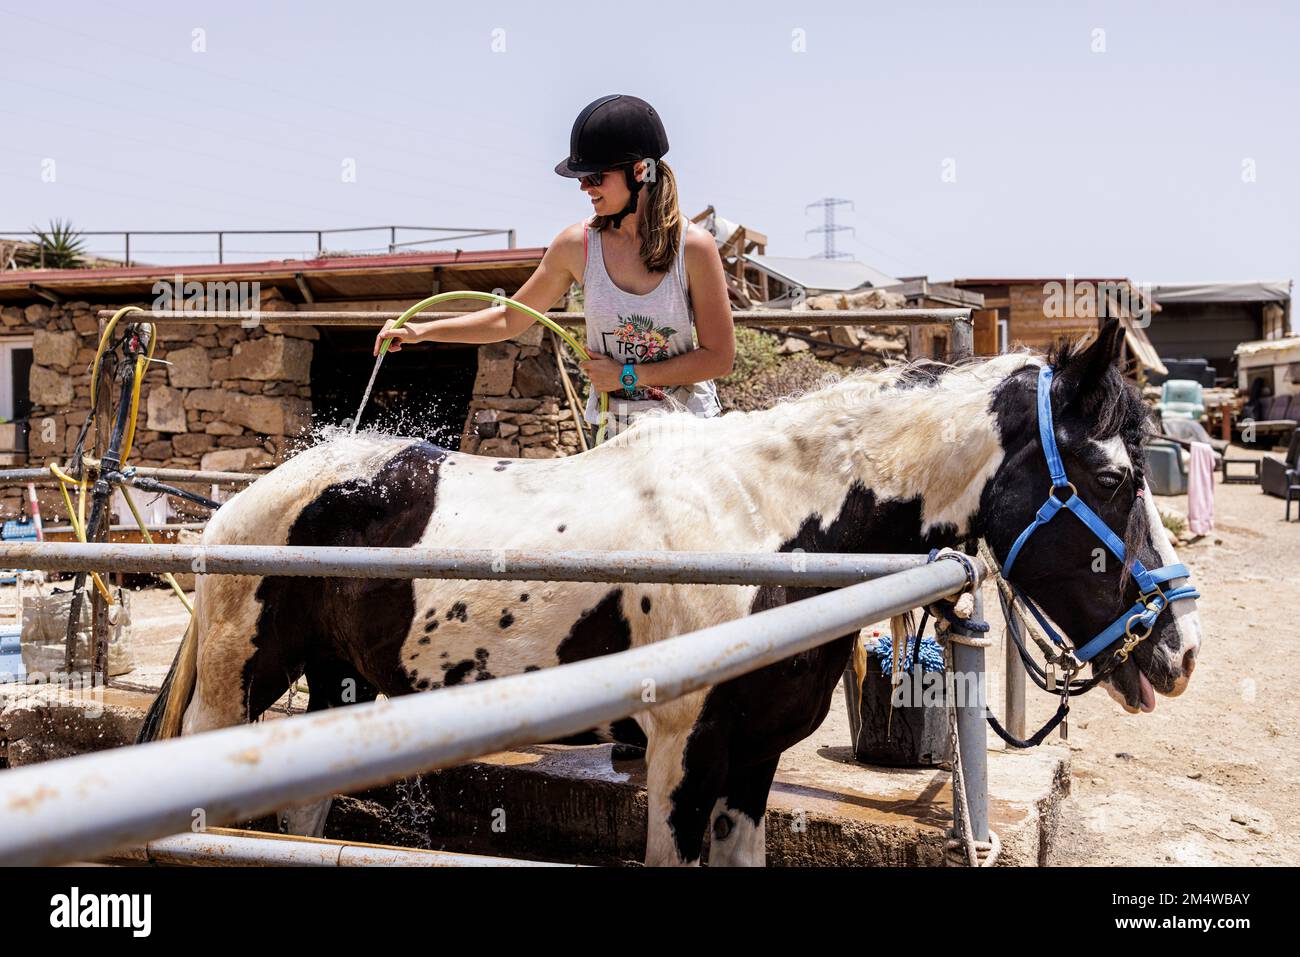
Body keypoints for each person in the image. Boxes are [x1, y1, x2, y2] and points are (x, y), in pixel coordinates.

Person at [374, 94, 734, 442]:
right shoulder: (576, 246)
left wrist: (628, 375)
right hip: (616, 433)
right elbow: (508, 320)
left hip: (690, 432)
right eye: (582, 177)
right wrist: (421, 332)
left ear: (640, 171)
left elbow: (719, 358)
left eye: (595, 176)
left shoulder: (693, 248)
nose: (583, 186)